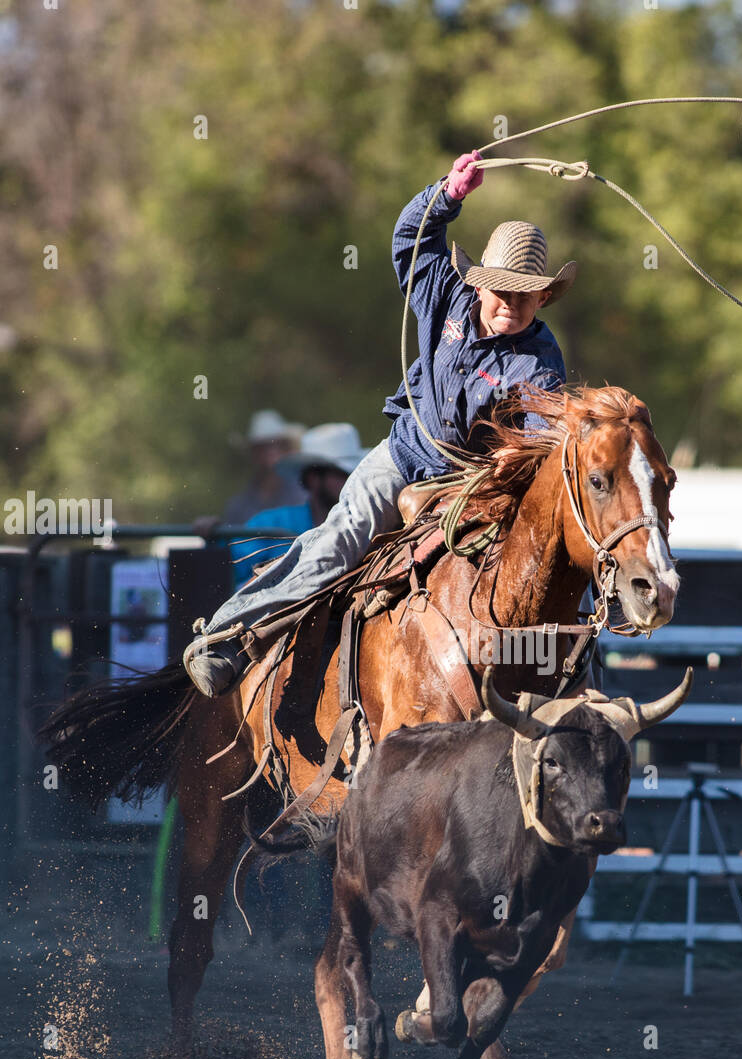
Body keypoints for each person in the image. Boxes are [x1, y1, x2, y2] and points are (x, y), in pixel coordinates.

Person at [184, 151, 577, 697]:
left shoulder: (538, 360)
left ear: (542, 295)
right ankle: (225, 636)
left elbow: (539, 432)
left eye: (524, 292)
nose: (511, 302)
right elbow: (409, 237)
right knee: (341, 538)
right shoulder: (445, 292)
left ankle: (572, 696)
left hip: (475, 483)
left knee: (543, 567)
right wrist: (447, 193)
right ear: (480, 284)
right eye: (502, 288)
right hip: (407, 454)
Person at [228, 423, 367, 589]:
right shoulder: (269, 525)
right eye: (342, 474)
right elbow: (227, 572)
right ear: (313, 479)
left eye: (355, 474)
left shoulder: (369, 523)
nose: (351, 481)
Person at [192, 409, 306, 537]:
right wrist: (214, 528)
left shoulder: (303, 494)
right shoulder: (239, 504)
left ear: (286, 449)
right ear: (253, 453)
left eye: (276, 445)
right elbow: (230, 545)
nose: (271, 451)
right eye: (263, 446)